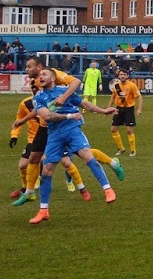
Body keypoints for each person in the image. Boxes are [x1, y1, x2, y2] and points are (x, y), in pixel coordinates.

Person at [26, 67, 120, 225]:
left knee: (86, 155)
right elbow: (47, 116)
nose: (40, 77)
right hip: (54, 135)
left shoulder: (65, 91)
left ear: (53, 78)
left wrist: (104, 111)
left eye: (44, 74)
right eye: (39, 75)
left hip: (72, 130)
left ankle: (108, 189)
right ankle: (43, 211)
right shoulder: (39, 97)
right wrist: (69, 115)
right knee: (47, 170)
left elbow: (84, 103)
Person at [109, 68, 143, 156]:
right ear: (118, 76)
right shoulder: (116, 86)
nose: (122, 76)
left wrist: (139, 109)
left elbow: (139, 97)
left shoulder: (132, 85)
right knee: (113, 129)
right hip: (118, 109)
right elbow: (113, 97)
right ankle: (121, 148)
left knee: (129, 130)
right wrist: (108, 108)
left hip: (129, 109)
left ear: (127, 76)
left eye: (124, 74)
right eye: (121, 74)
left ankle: (133, 150)